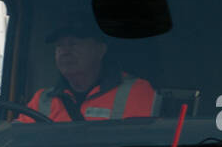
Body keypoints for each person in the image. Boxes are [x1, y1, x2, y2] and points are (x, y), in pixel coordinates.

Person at [26, 16, 156, 121]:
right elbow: (18, 139)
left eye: (73, 44)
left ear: (100, 50)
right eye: (59, 46)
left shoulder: (136, 91)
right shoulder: (42, 100)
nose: (65, 52)